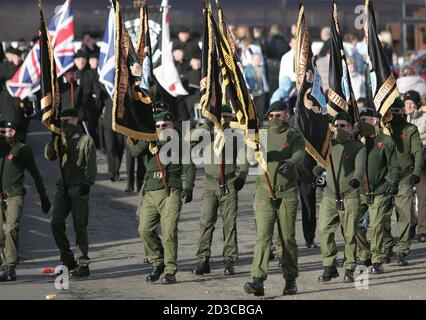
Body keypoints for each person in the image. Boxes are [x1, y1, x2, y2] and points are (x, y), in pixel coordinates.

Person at [244, 100, 305, 296]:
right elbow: (249, 157)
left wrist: (291, 163)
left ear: (287, 116)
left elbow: (299, 154)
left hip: (286, 193)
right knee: (263, 236)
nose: (274, 119)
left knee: (287, 238)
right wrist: (253, 154)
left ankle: (290, 279)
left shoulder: (294, 135)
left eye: (278, 116)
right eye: (271, 116)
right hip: (264, 193)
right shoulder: (260, 136)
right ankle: (257, 279)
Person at [129, 111, 196, 284]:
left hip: (170, 191)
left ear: (172, 126)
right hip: (151, 191)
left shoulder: (180, 143)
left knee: (169, 231)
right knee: (144, 229)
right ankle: (157, 262)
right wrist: (141, 138)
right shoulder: (149, 142)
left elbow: (189, 166)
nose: (161, 129)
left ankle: (170, 269)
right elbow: (135, 153)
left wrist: (188, 187)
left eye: (164, 125)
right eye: (157, 126)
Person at [192, 106, 249, 276]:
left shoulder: (235, 136)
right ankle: (203, 259)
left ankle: (229, 260)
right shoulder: (207, 133)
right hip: (210, 184)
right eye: (220, 116)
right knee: (206, 222)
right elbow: (189, 139)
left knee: (229, 223)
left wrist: (242, 176)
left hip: (229, 182)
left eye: (227, 116)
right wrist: (207, 125)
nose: (223, 120)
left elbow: (244, 159)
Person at [45, 108, 97, 279]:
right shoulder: (60, 139)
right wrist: (53, 138)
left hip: (78, 187)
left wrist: (88, 183)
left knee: (79, 226)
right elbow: (49, 156)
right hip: (63, 187)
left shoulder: (85, 140)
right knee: (55, 222)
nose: (65, 124)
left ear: (75, 120)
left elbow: (91, 165)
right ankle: (67, 259)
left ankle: (83, 264)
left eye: (67, 120)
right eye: (63, 121)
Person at [317, 112, 366, 283]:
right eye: (336, 125)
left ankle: (350, 267)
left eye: (343, 125)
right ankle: (329, 265)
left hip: (350, 196)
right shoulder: (329, 144)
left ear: (350, 127)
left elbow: (360, 168)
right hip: (329, 196)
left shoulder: (357, 147)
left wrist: (356, 179)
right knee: (324, 230)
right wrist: (318, 169)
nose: (339, 128)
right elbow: (320, 160)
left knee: (350, 233)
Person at [0, 120, 51, 281]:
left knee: (10, 228)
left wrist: (43, 196)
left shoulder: (21, 149)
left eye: (3, 131)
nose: (1, 134)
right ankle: (4, 265)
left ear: (13, 132)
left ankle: (10, 266)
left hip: (15, 194)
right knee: (1, 233)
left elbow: (35, 174)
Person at [353, 109, 400, 274]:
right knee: (355, 225)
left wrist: (393, 180)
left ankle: (377, 259)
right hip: (359, 191)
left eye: (364, 120)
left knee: (376, 225)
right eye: (360, 120)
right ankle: (364, 254)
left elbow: (394, 164)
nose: (360, 123)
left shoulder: (385, 141)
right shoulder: (356, 141)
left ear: (374, 122)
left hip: (379, 190)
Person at [384, 98, 424, 265]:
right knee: (382, 216)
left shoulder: (410, 130)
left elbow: (418, 152)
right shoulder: (383, 129)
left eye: (398, 111)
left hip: (404, 177)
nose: (395, 114)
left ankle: (402, 249)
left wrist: (416, 172)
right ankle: (386, 245)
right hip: (384, 179)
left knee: (405, 215)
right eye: (392, 111)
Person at [403, 91, 426, 242]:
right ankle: (409, 227)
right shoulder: (399, 120)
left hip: (422, 160)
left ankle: (423, 229)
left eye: (412, 103)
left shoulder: (424, 118)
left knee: (423, 196)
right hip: (405, 162)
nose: (409, 106)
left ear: (417, 105)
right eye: (406, 103)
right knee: (405, 198)